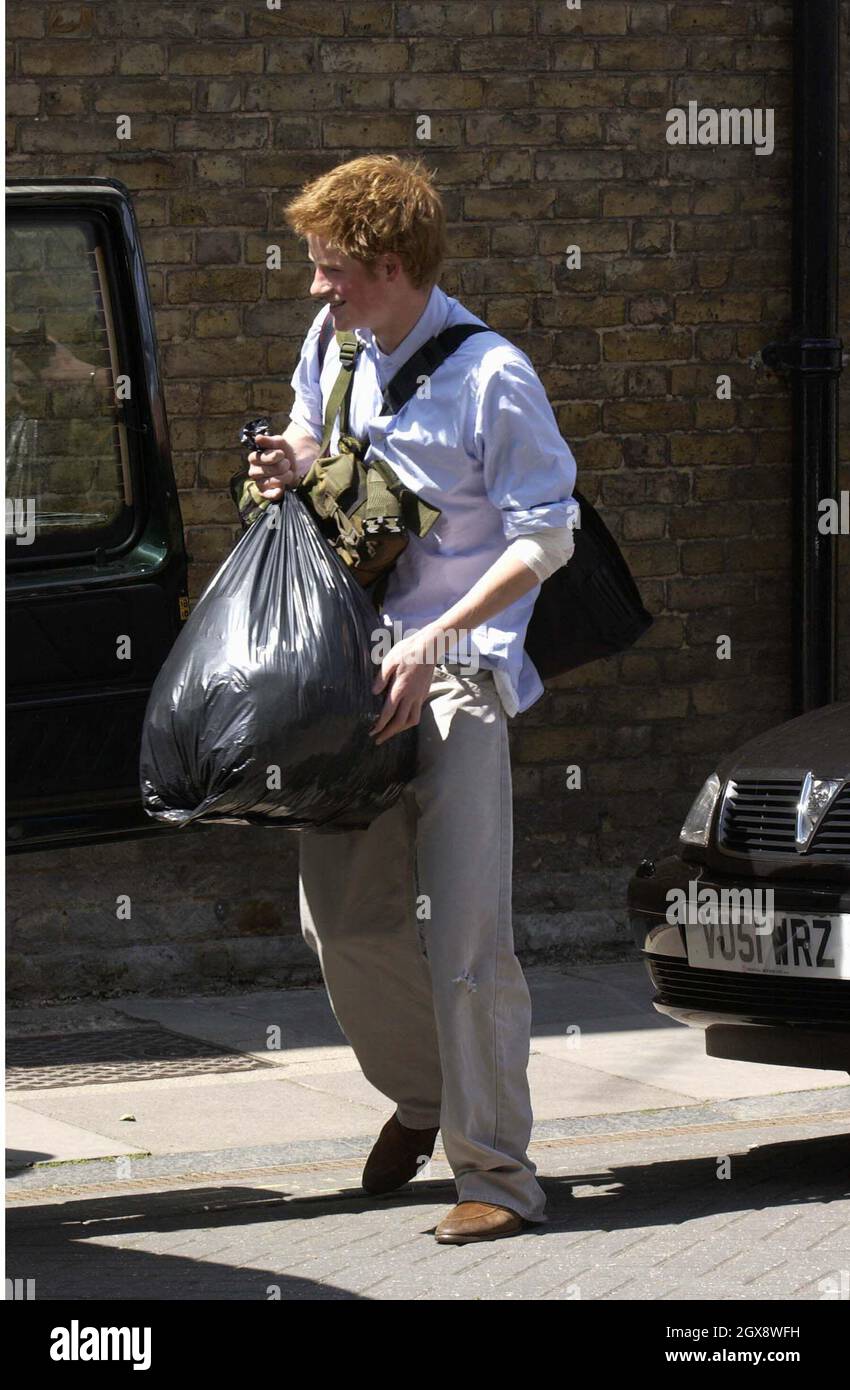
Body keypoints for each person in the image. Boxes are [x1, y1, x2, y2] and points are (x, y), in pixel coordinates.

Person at [247, 154, 577, 1244]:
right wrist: (286, 462)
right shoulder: (334, 345)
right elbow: (307, 431)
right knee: (339, 919)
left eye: (331, 269)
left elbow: (548, 532)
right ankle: (428, 1098)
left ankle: (495, 1171)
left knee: (469, 938)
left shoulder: (491, 376)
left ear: (389, 266)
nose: (315, 288)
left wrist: (439, 635)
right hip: (348, 676)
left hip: (457, 679)